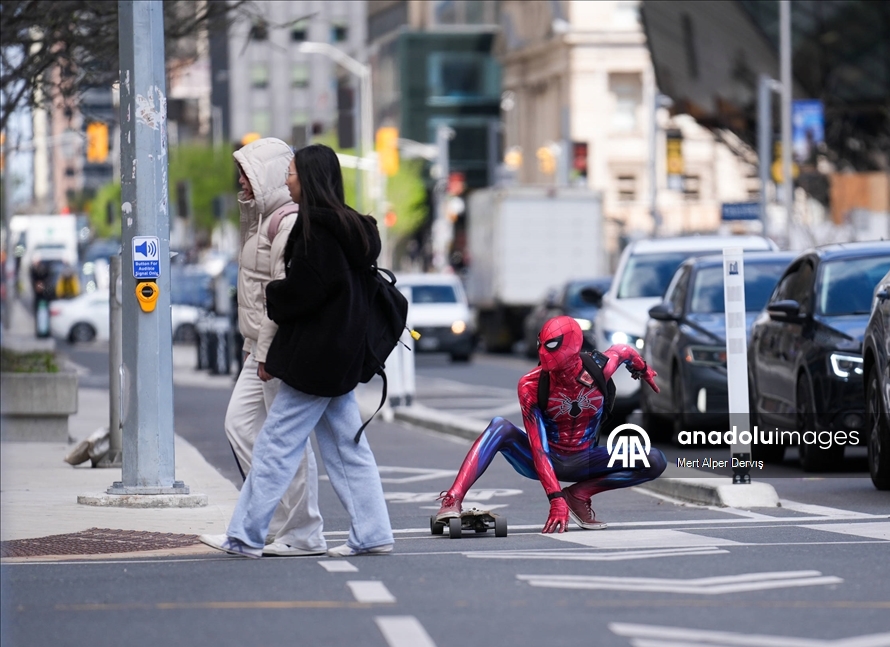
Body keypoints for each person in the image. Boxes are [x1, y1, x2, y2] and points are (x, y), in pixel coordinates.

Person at [201, 143, 394, 558]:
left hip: (314, 361)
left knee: (275, 446)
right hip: (341, 357)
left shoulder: (315, 231)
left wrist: (274, 294)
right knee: (348, 449)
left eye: (292, 172)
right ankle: (373, 532)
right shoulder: (356, 227)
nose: (287, 178)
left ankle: (246, 535)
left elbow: (305, 293)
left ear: (309, 179)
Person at [435, 316, 667, 533]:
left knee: (654, 460)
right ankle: (453, 498)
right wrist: (554, 498)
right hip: (546, 459)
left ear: (573, 348)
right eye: (542, 345)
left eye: (553, 346)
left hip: (586, 460)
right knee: (500, 427)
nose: (545, 355)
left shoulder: (599, 369)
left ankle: (578, 494)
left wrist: (643, 369)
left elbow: (624, 351)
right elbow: (538, 448)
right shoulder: (531, 385)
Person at [221, 137, 327, 557]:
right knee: (240, 426)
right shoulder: (260, 216)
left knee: (287, 443)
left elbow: (279, 293)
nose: (241, 181)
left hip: (277, 348)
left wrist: (265, 352)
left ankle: (304, 529)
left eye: (248, 173)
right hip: (257, 346)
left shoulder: (286, 221)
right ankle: (274, 521)